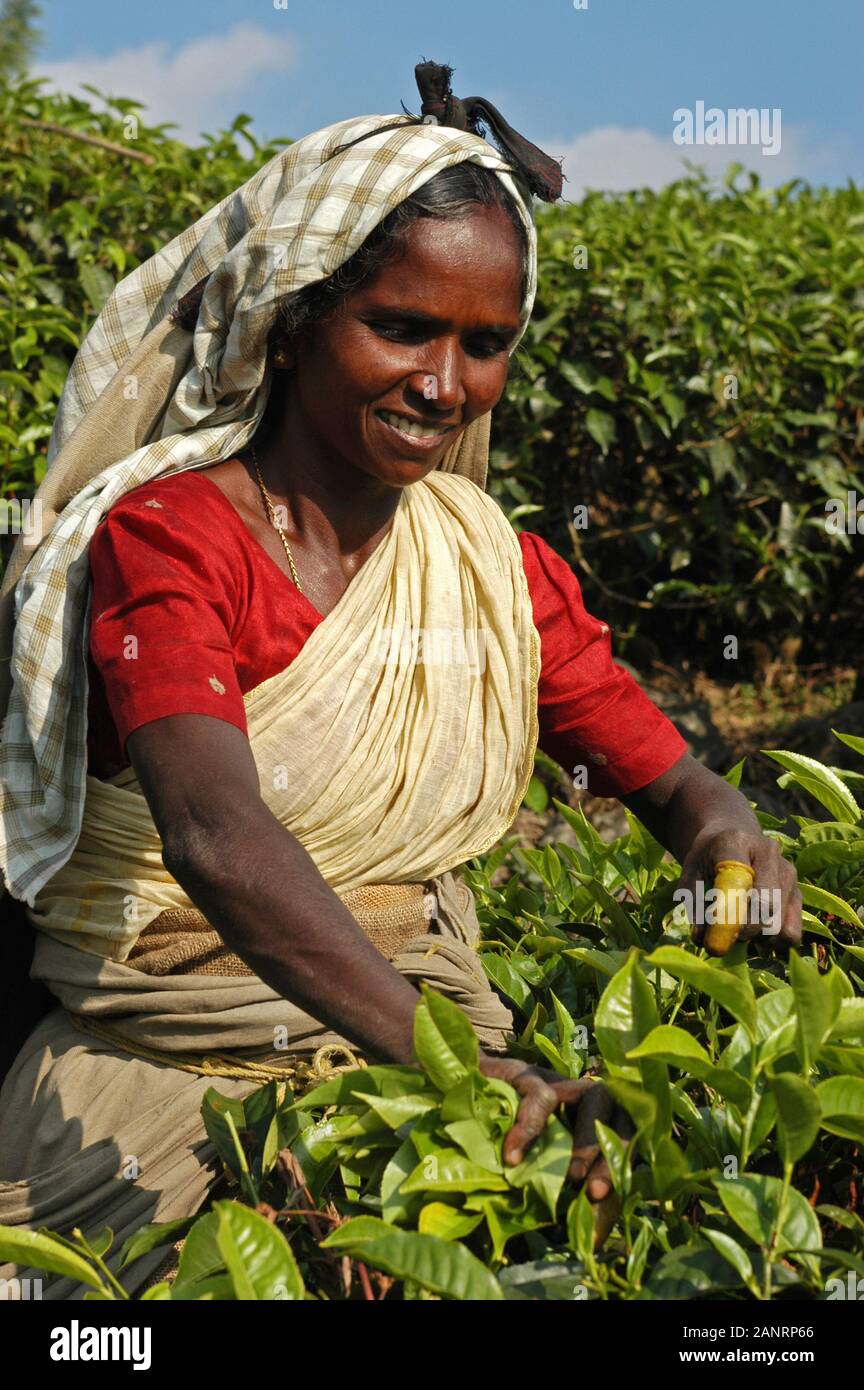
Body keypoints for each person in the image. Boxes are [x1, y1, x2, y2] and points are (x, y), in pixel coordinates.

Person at [0, 62, 801, 1298]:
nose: (445, 384)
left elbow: (679, 783)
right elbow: (216, 834)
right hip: (164, 1058)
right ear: (298, 314)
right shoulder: (174, 536)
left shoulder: (489, 568)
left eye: (486, 346)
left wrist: (732, 847)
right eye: (404, 327)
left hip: (440, 1042)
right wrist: (450, 1067)